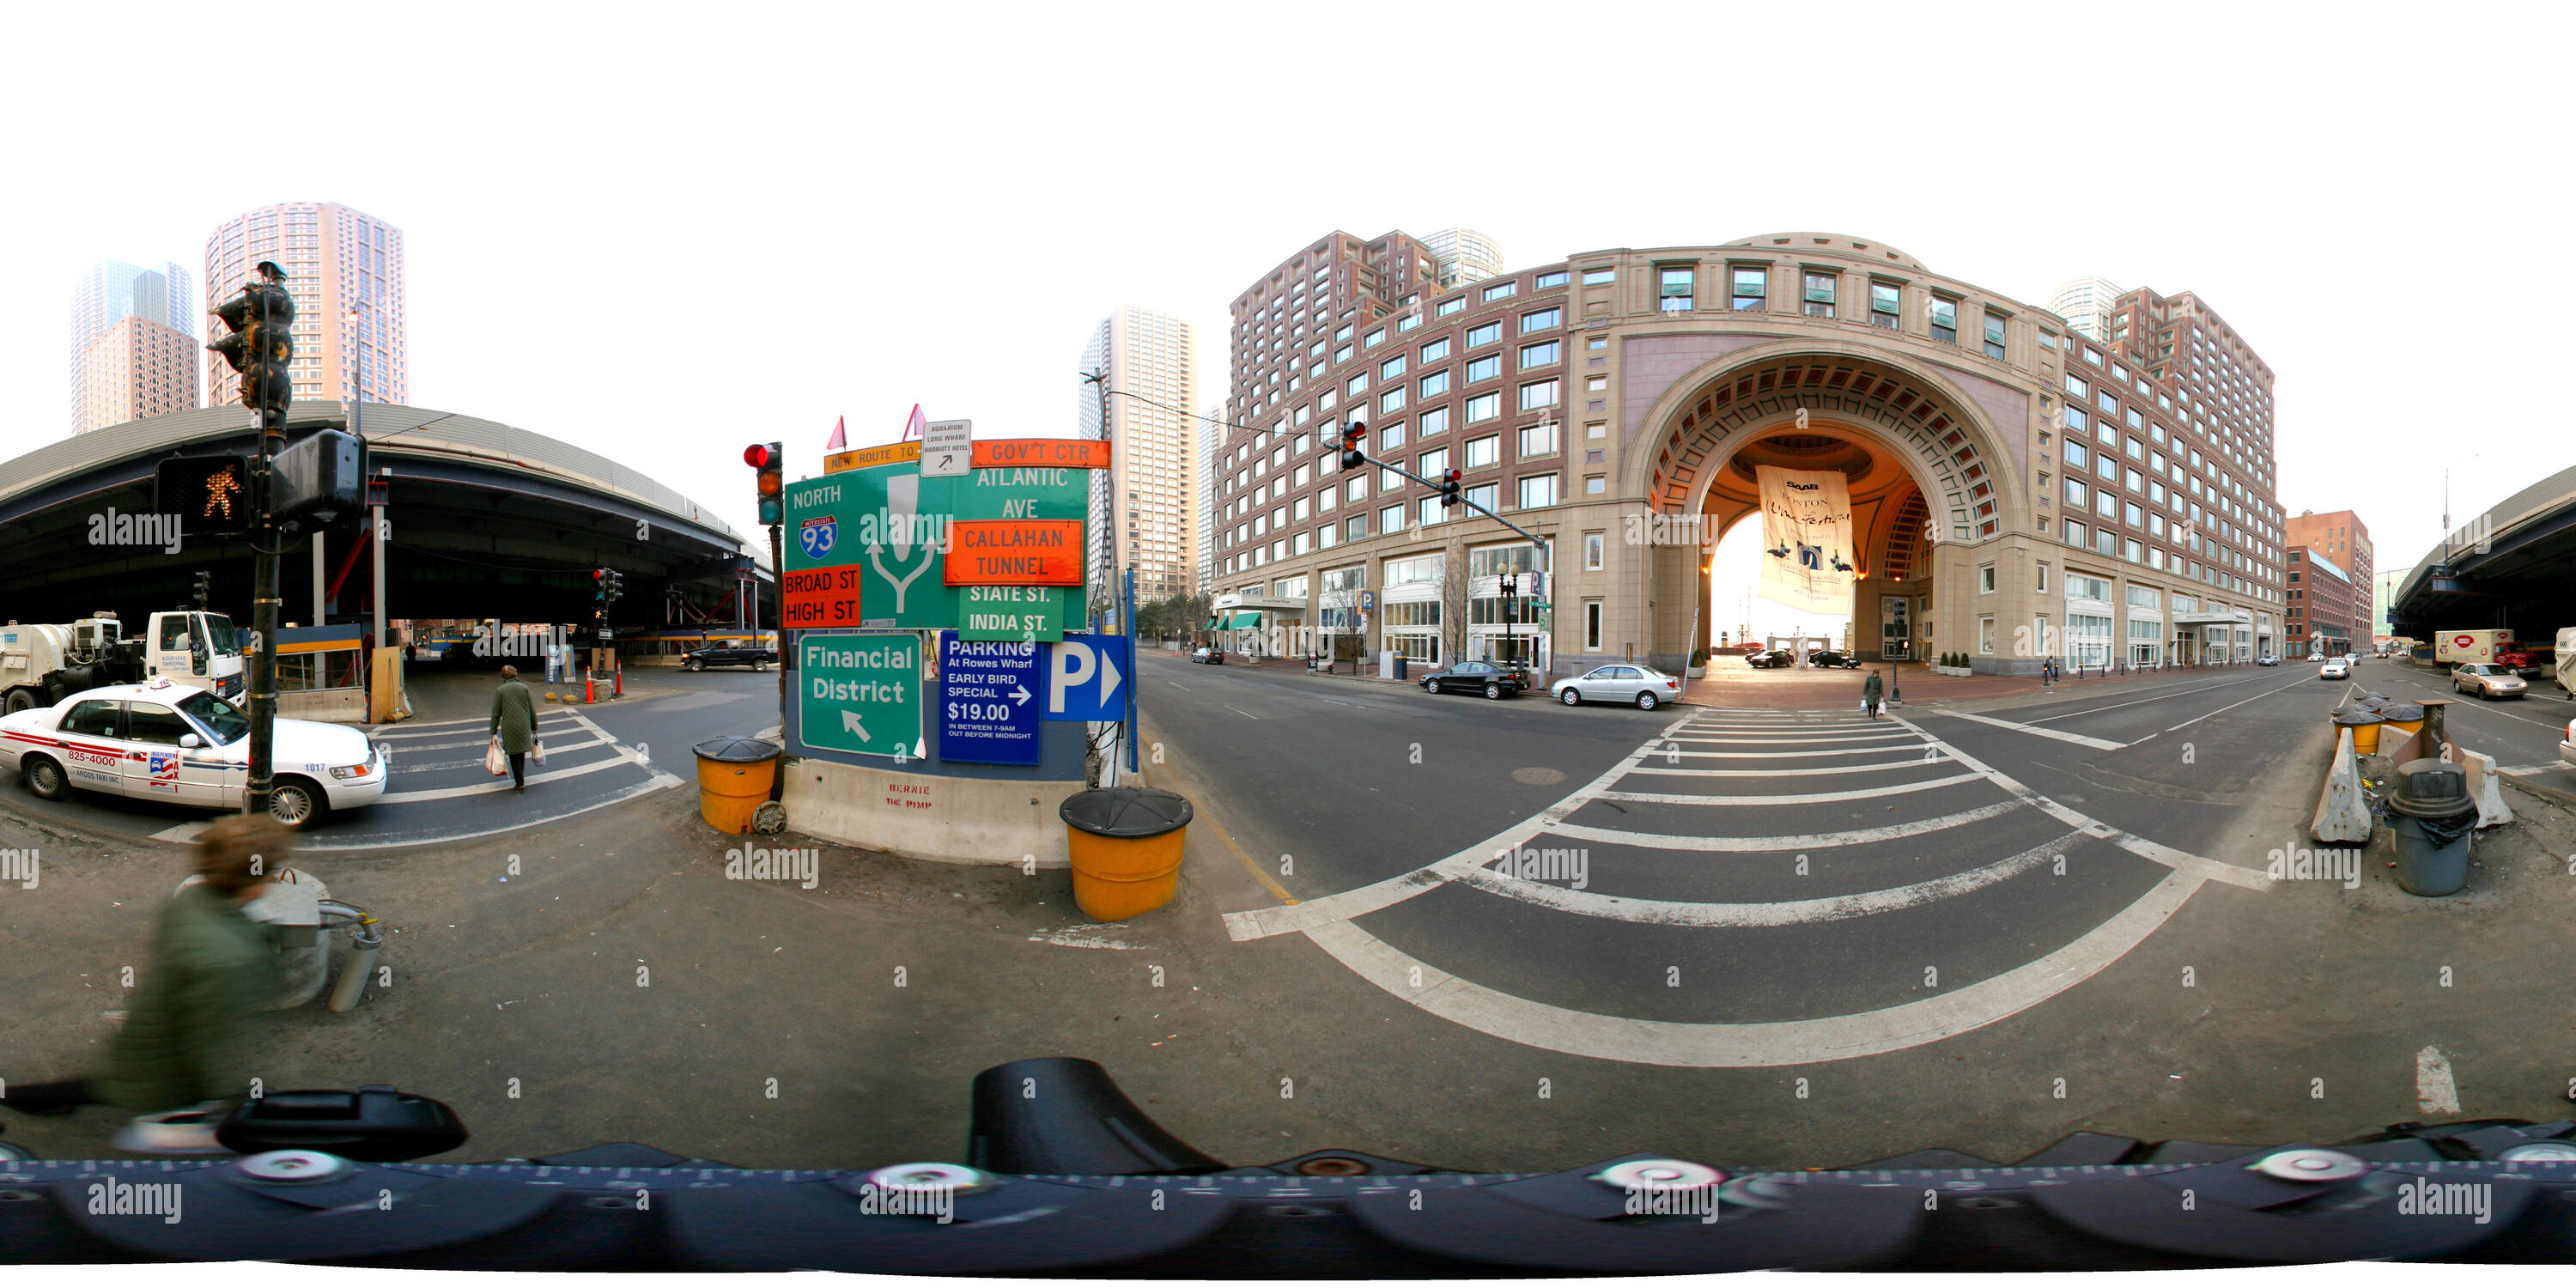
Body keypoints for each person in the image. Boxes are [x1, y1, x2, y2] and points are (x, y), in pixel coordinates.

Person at [1, 816, 289, 1121]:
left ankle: (28, 1098)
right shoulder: (230, 959)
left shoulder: (193, 900)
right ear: (252, 878)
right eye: (270, 873)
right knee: (129, 1096)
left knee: (105, 1087)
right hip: (169, 1070)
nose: (272, 880)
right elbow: (212, 1044)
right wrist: (228, 1098)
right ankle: (25, 1098)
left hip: (147, 1033)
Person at [491, 663, 537, 793]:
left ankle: (520, 783)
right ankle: (520, 779)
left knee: (513, 755)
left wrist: (493, 730)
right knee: (521, 753)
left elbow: (496, 713)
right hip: (523, 725)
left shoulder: (500, 690)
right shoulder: (524, 688)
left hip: (509, 726)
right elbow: (532, 710)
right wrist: (534, 727)